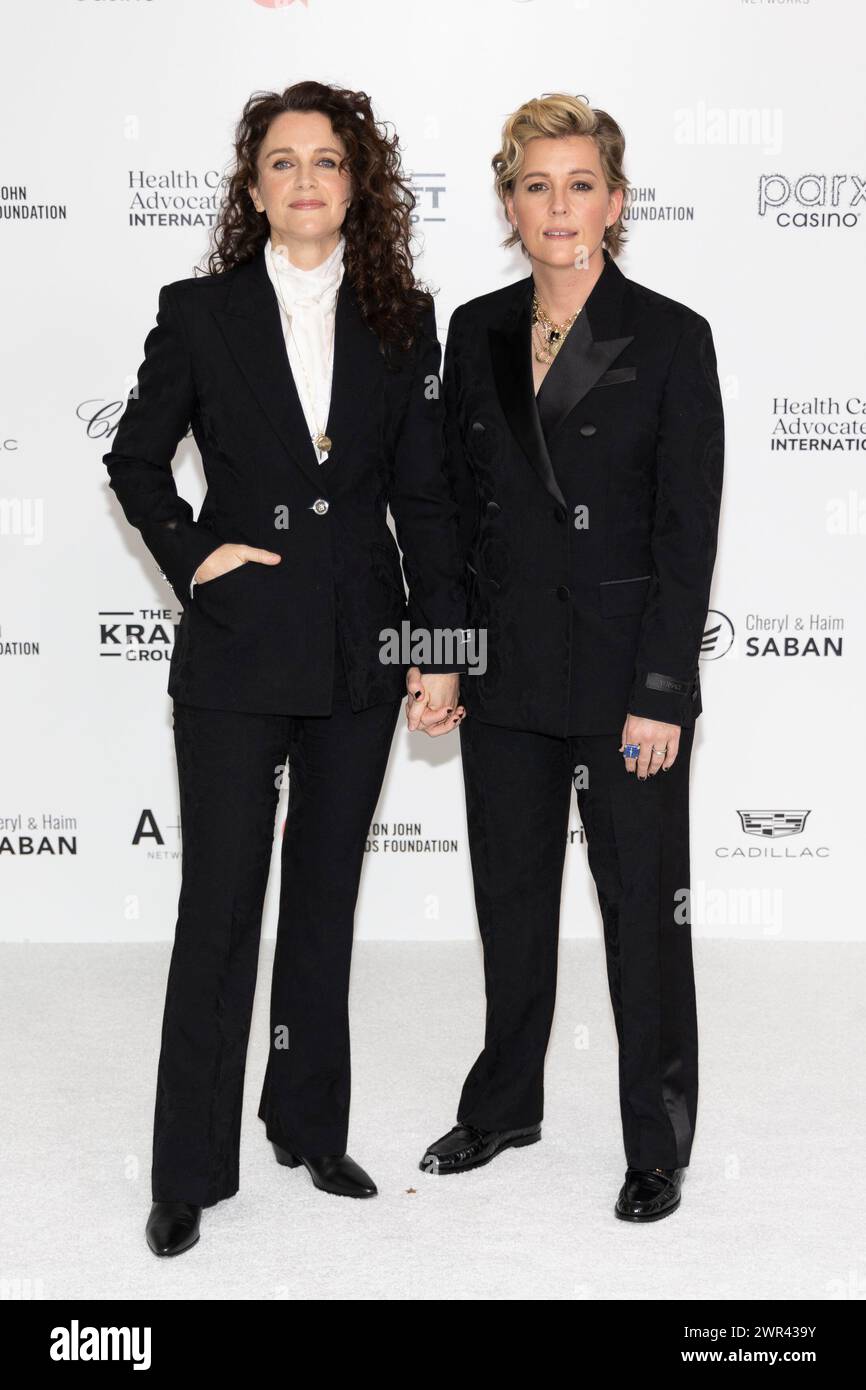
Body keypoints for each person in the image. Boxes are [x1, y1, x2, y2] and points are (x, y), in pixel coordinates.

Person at [103, 81, 465, 1257]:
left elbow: (426, 500)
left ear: (358, 182)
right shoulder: (198, 313)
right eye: (279, 162)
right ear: (251, 186)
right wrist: (197, 555)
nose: (304, 179)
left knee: (321, 903)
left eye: (326, 160)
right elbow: (137, 458)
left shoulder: (405, 315)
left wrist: (438, 653)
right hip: (236, 650)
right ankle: (187, 1167)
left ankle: (307, 1124)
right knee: (218, 907)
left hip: (362, 651)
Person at [420, 92, 725, 1222]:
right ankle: (503, 1105)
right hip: (501, 674)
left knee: (642, 914)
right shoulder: (475, 329)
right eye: (535, 185)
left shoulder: (669, 336)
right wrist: (441, 654)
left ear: (615, 199)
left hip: (619, 682)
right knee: (508, 899)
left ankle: (656, 1142)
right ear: (508, 203)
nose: (558, 206)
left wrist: (661, 694)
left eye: (579, 182)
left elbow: (684, 535)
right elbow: (444, 512)